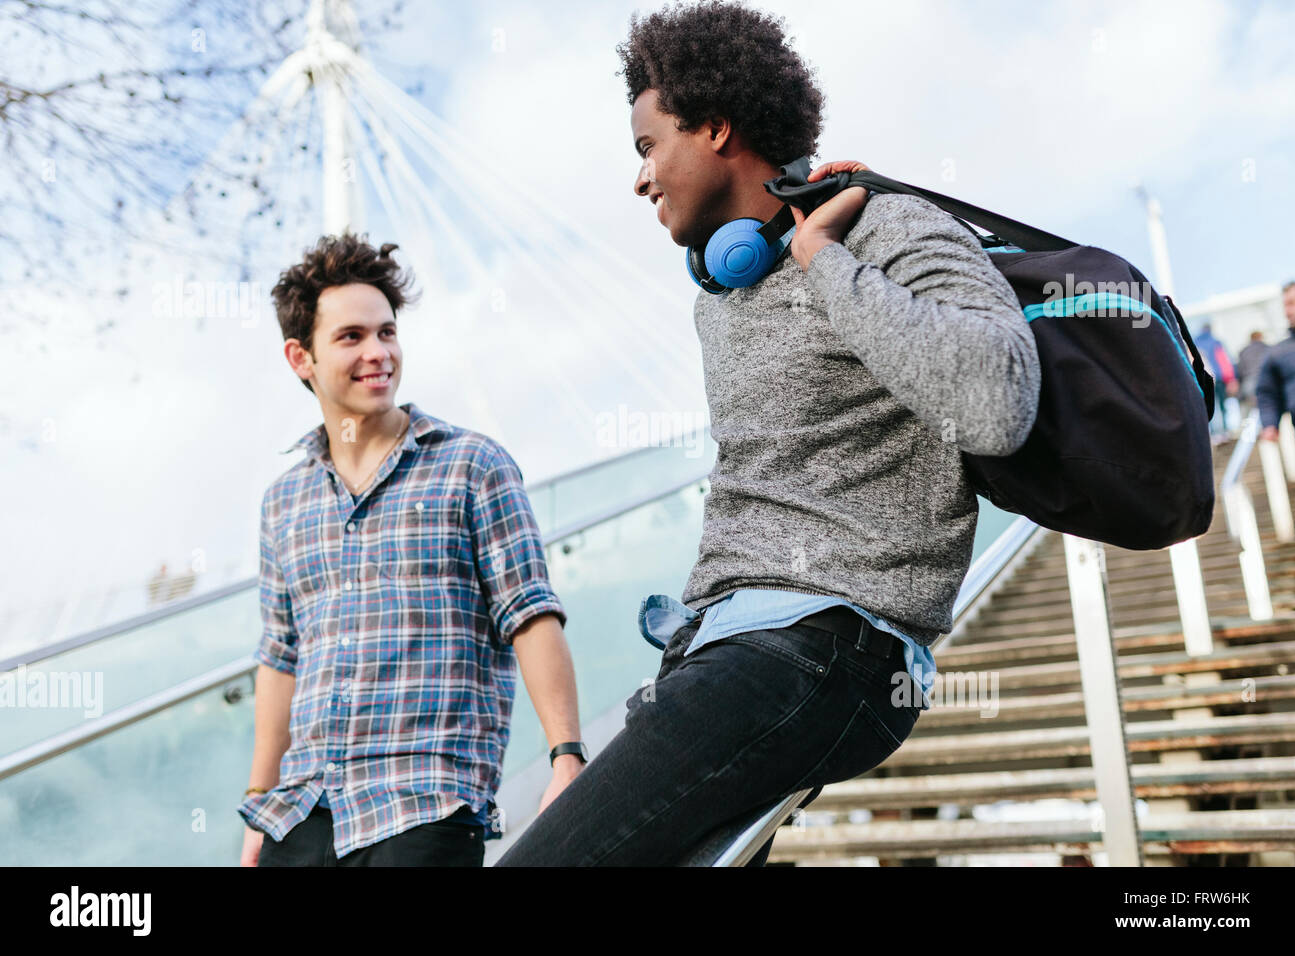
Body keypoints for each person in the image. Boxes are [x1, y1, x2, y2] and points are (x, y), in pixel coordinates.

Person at [496, 0, 1040, 866]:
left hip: (825, 647)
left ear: (715, 127)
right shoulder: (724, 296)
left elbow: (997, 403)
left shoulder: (885, 226)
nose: (639, 179)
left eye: (647, 147)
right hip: (727, 650)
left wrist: (825, 259)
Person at [238, 234, 584, 866]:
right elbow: (280, 657)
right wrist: (259, 805)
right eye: (351, 337)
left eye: (387, 332)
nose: (378, 352)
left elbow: (530, 613)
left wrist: (566, 755)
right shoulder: (282, 500)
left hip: (424, 805)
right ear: (300, 357)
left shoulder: (473, 465)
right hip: (300, 814)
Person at [1258, 281, 1295, 444]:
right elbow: (1267, 391)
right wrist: (1269, 423)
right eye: (1285, 306)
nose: (1286, 312)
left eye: (1291, 304)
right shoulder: (1279, 353)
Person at [1193, 322, 1238, 441]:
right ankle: (1225, 431)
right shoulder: (1216, 342)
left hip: (1204, 379)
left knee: (1209, 405)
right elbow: (1223, 361)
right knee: (1222, 406)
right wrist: (1230, 379)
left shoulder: (1196, 342)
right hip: (1219, 378)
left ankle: (1213, 434)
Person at [1235, 330, 1269, 414]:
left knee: (1251, 411)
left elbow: (1239, 371)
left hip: (1248, 383)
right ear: (1261, 337)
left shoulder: (1243, 351)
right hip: (1265, 381)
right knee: (1266, 408)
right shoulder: (1268, 349)